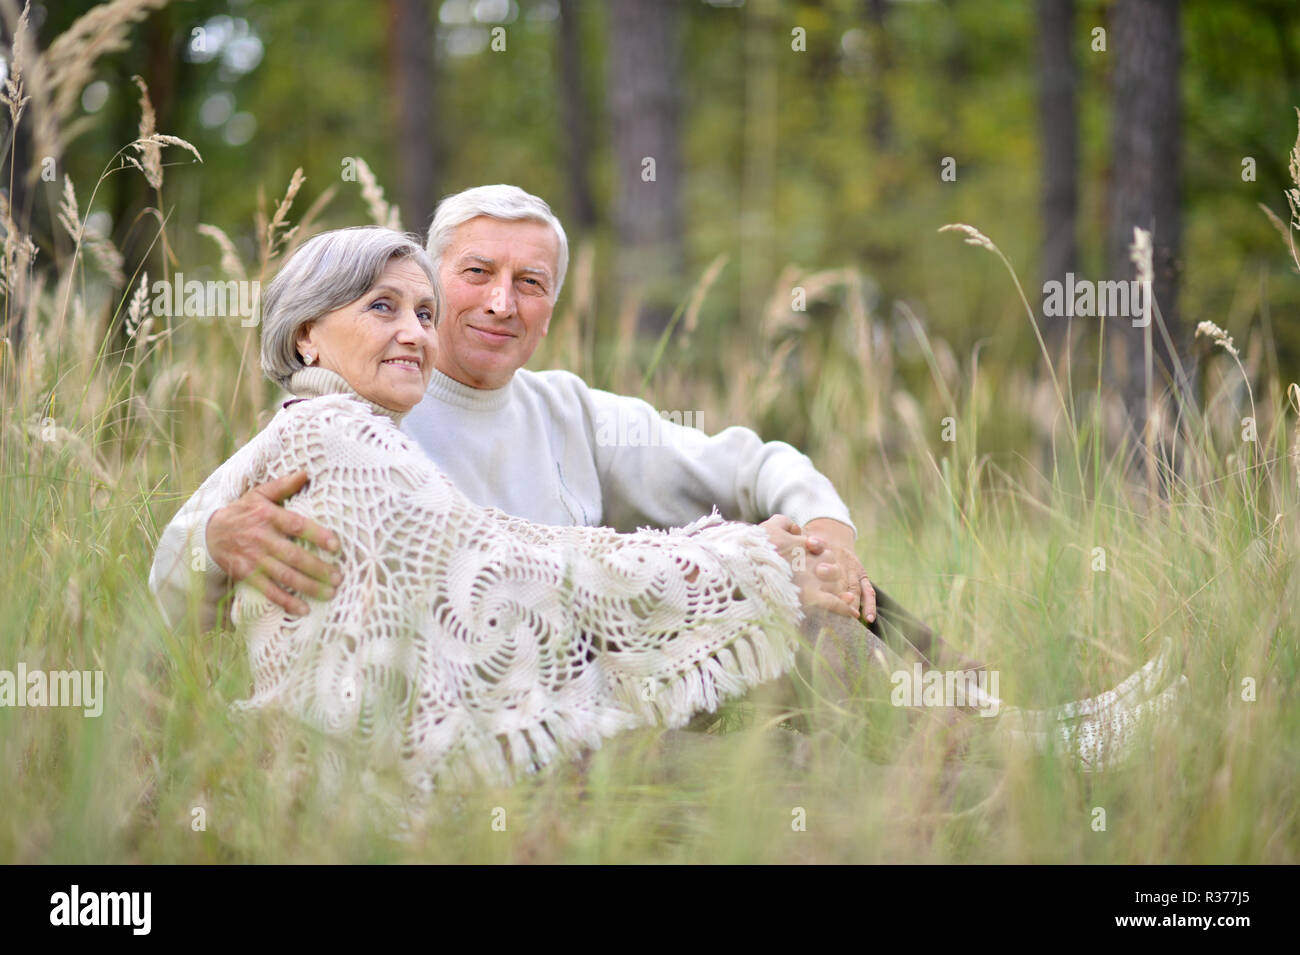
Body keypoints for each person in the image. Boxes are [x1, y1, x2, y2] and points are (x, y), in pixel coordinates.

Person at [163, 225, 842, 793]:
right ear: (306, 335)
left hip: (479, 731)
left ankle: (922, 733)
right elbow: (501, 561)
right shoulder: (333, 432)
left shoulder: (328, 422)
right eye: (382, 308)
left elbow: (741, 462)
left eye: (422, 314)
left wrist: (806, 536)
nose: (414, 333)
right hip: (432, 771)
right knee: (781, 773)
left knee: (814, 660)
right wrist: (742, 558)